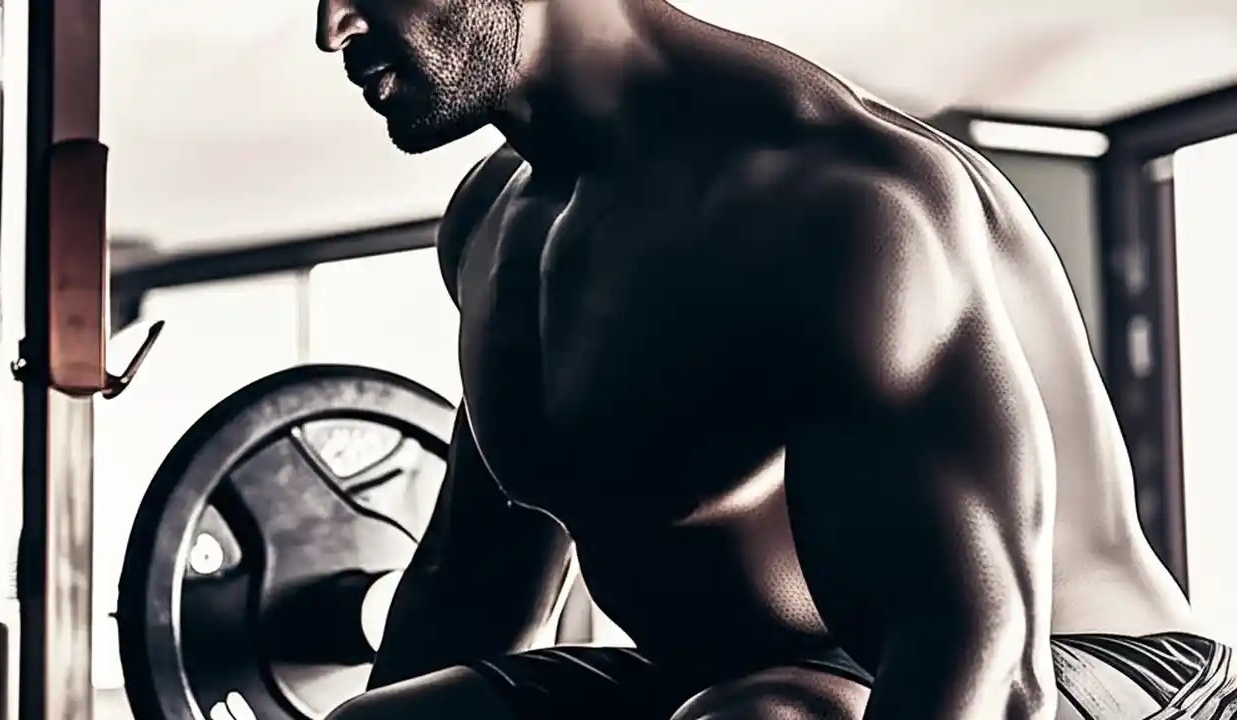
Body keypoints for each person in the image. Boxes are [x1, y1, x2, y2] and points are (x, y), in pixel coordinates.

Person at [315, 0, 1236, 718]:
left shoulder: (839, 202)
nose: (333, 28)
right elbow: (468, 596)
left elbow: (979, 669)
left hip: (1086, 676)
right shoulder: (491, 224)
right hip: (747, 683)